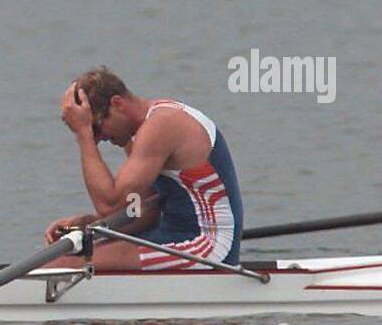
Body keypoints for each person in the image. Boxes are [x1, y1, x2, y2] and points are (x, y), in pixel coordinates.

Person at [44, 67, 243, 269]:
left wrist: (83, 136)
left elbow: (109, 204)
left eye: (95, 126)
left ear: (117, 104)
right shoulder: (144, 131)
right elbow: (141, 212)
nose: (98, 138)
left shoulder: (162, 124)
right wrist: (87, 224)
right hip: (173, 233)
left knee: (64, 266)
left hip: (208, 246)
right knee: (70, 257)